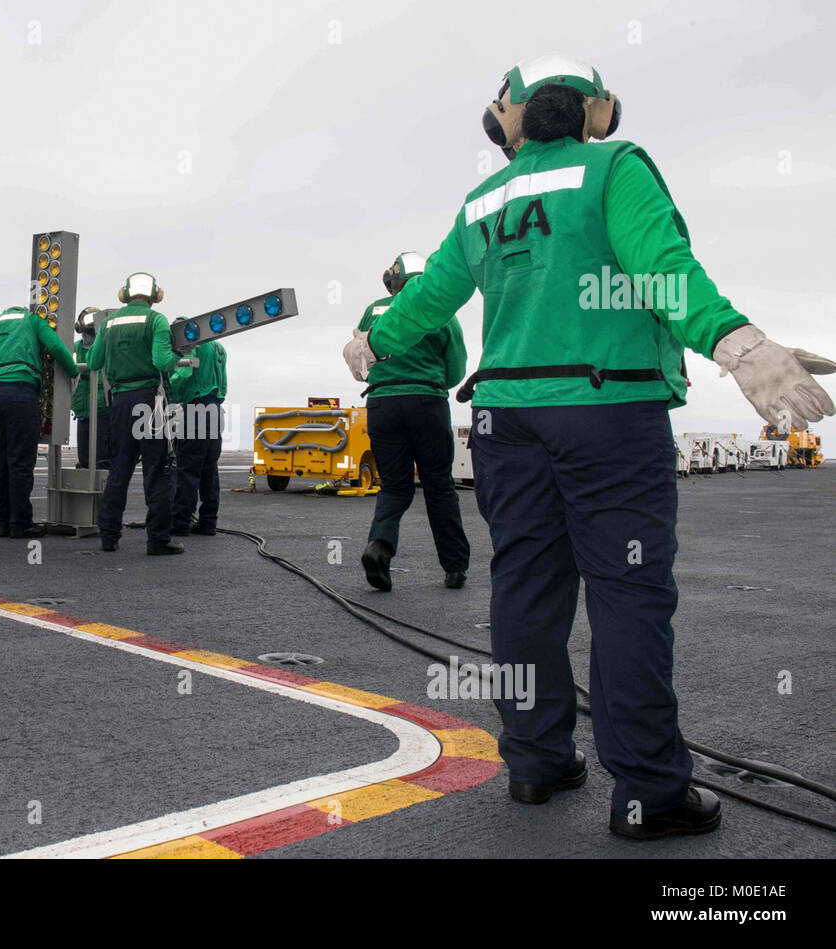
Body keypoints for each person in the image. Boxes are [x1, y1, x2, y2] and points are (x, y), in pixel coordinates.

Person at [346, 55, 835, 840]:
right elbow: (662, 270)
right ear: (596, 109)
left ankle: (536, 761)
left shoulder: (484, 196)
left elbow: (432, 294)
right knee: (628, 594)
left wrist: (374, 336)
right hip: (608, 411)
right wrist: (737, 343)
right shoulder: (615, 165)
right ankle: (646, 789)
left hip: (506, 419)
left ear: (506, 114)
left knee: (525, 591)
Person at [354, 253, 470, 591]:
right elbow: (456, 368)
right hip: (427, 403)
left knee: (394, 486)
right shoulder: (440, 311)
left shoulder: (373, 310)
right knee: (439, 486)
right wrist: (428, 383)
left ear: (391, 282)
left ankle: (379, 547)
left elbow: (361, 360)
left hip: (382, 404)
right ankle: (455, 568)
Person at [87, 273, 182, 555]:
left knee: (119, 469)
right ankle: (158, 540)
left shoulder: (108, 323)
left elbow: (93, 361)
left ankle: (108, 536)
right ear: (154, 295)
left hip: (119, 402)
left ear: (125, 294)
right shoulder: (156, 320)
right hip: (149, 401)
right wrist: (179, 356)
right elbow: (161, 360)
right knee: (157, 471)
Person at [0, 305, 77, 538]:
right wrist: (72, 371)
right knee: (20, 459)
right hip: (19, 391)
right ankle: (20, 523)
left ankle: (1, 523)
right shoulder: (33, 320)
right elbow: (56, 347)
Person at [169, 320, 227, 537]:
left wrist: (165, 386)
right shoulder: (218, 347)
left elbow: (183, 374)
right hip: (215, 409)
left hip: (195, 408)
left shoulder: (190, 343)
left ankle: (180, 524)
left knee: (187, 470)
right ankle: (208, 522)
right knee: (209, 470)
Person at [73, 307, 110, 470]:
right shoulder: (73, 348)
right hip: (82, 413)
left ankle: (103, 494)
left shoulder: (108, 348)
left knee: (102, 460)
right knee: (84, 461)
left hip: (103, 412)